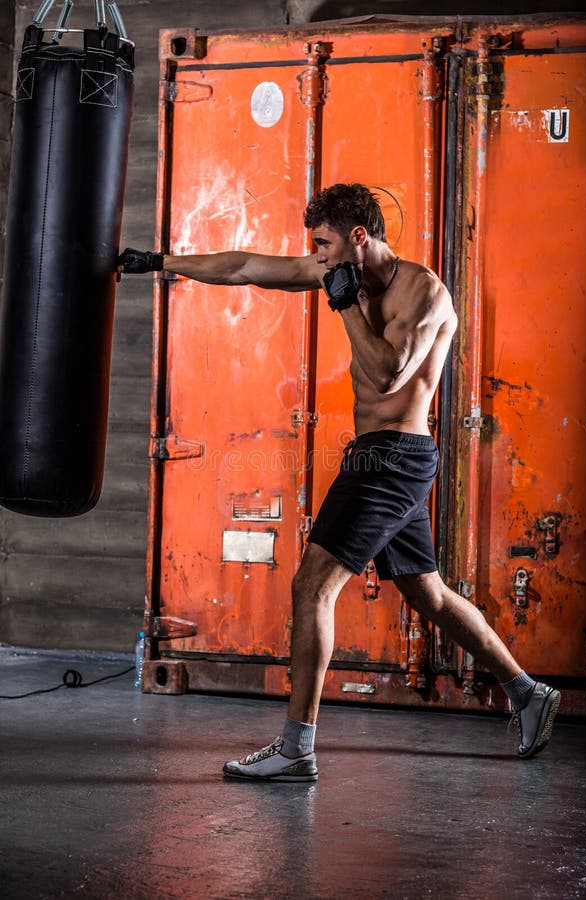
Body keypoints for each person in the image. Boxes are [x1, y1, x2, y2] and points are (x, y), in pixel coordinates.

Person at [118, 182, 561, 781]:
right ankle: (528, 692)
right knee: (426, 595)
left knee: (311, 587)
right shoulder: (338, 270)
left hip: (392, 457)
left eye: (324, 244)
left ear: (358, 237)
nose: (317, 256)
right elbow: (244, 267)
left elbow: (386, 376)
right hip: (387, 456)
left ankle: (297, 745)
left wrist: (344, 302)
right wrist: (157, 263)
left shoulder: (422, 292)